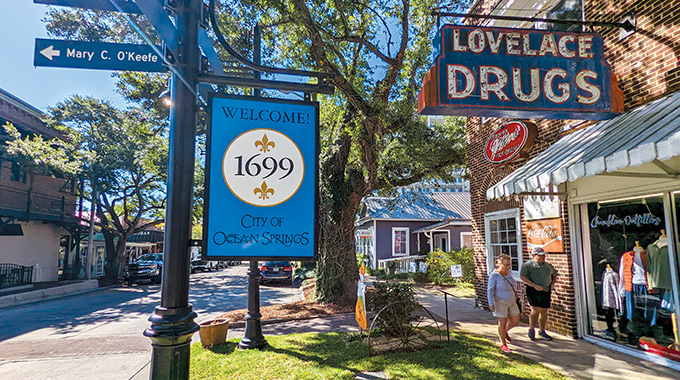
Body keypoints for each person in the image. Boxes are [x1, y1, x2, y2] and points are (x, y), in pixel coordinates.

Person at [520, 247, 557, 341]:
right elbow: (523, 277)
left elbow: (554, 275)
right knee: (535, 310)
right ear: (534, 255)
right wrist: (534, 285)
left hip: (546, 290)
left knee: (544, 311)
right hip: (533, 290)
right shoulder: (527, 265)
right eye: (540, 255)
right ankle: (531, 329)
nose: (543, 257)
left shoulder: (548, 266)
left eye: (543, 255)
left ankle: (542, 331)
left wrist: (552, 284)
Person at [487, 254, 520, 352]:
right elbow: (490, 290)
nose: (506, 266)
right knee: (502, 322)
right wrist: (491, 303)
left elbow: (513, 284)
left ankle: (504, 332)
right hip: (500, 302)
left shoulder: (509, 273)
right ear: (499, 263)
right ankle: (503, 343)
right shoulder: (494, 275)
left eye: (508, 264)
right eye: (504, 264)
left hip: (511, 301)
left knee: (515, 320)